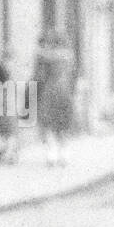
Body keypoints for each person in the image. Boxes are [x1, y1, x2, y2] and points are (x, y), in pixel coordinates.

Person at [31, 30, 75, 166]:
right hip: (66, 92)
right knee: (63, 125)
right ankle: (64, 155)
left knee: (48, 124)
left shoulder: (45, 56)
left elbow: (38, 74)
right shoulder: (69, 56)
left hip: (50, 92)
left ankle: (52, 155)